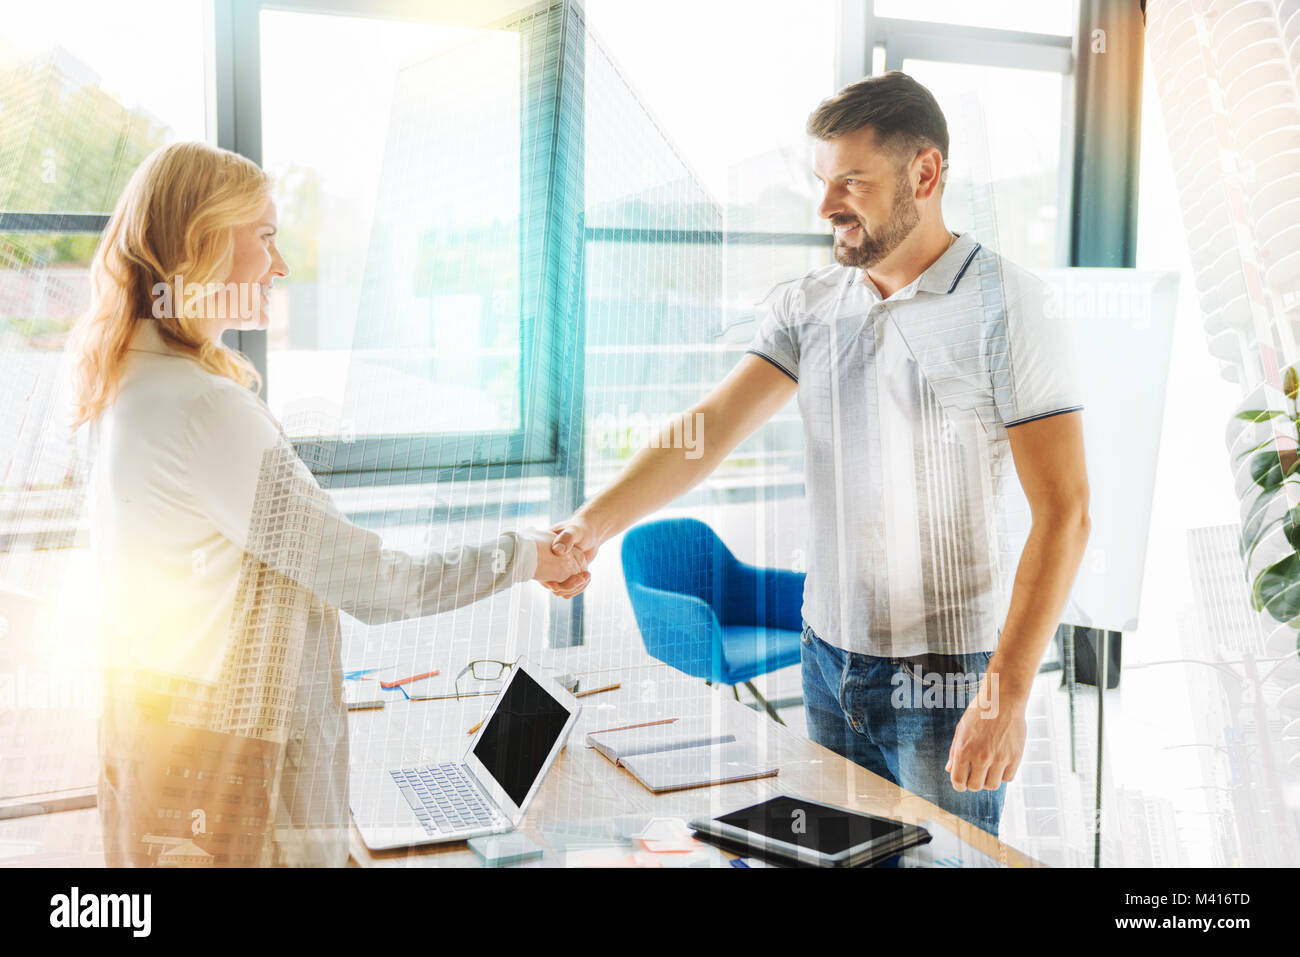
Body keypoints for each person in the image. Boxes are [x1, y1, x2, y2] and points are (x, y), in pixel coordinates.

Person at [544, 73, 1090, 837]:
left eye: (851, 182)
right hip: (828, 661)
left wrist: (1007, 694)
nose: (827, 205)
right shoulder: (812, 304)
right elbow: (706, 431)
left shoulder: (1008, 306)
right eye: (822, 181)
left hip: (946, 677)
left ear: (925, 174)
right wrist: (588, 525)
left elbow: (1065, 513)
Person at [68, 141, 585, 866]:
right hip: (231, 788)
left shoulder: (130, 384)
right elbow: (377, 583)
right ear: (203, 240)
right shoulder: (204, 409)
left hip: (160, 753)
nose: (279, 266)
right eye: (266, 237)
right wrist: (525, 555)